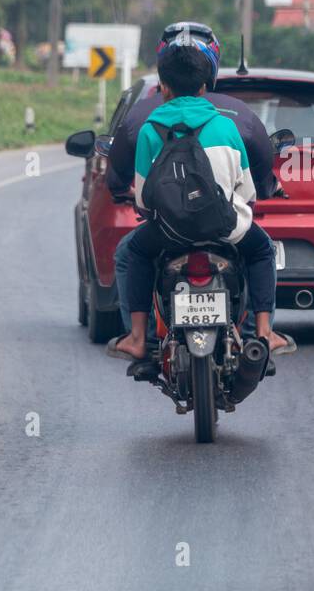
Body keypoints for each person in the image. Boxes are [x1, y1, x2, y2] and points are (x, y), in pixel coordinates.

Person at [105, 21, 294, 354]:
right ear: (208, 87)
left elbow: (144, 200)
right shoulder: (227, 126)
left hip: (168, 232)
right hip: (225, 228)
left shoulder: (150, 129)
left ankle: (137, 338)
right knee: (263, 250)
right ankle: (264, 332)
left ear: (163, 86)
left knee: (130, 252)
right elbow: (247, 192)